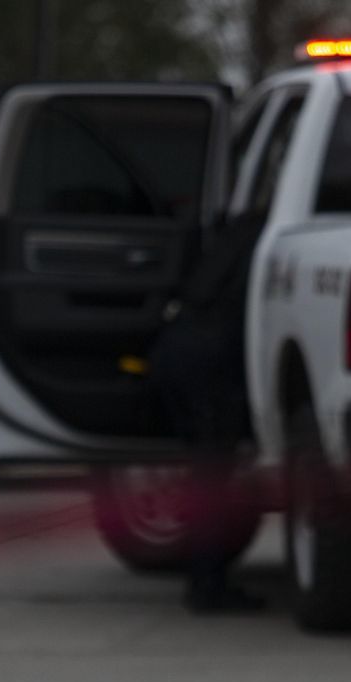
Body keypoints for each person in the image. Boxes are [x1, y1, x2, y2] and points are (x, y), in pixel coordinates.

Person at [146, 210, 268, 613]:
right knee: (213, 475)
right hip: (210, 361)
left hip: (176, 348)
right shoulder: (268, 237)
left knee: (205, 473)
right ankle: (207, 586)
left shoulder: (235, 232)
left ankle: (204, 578)